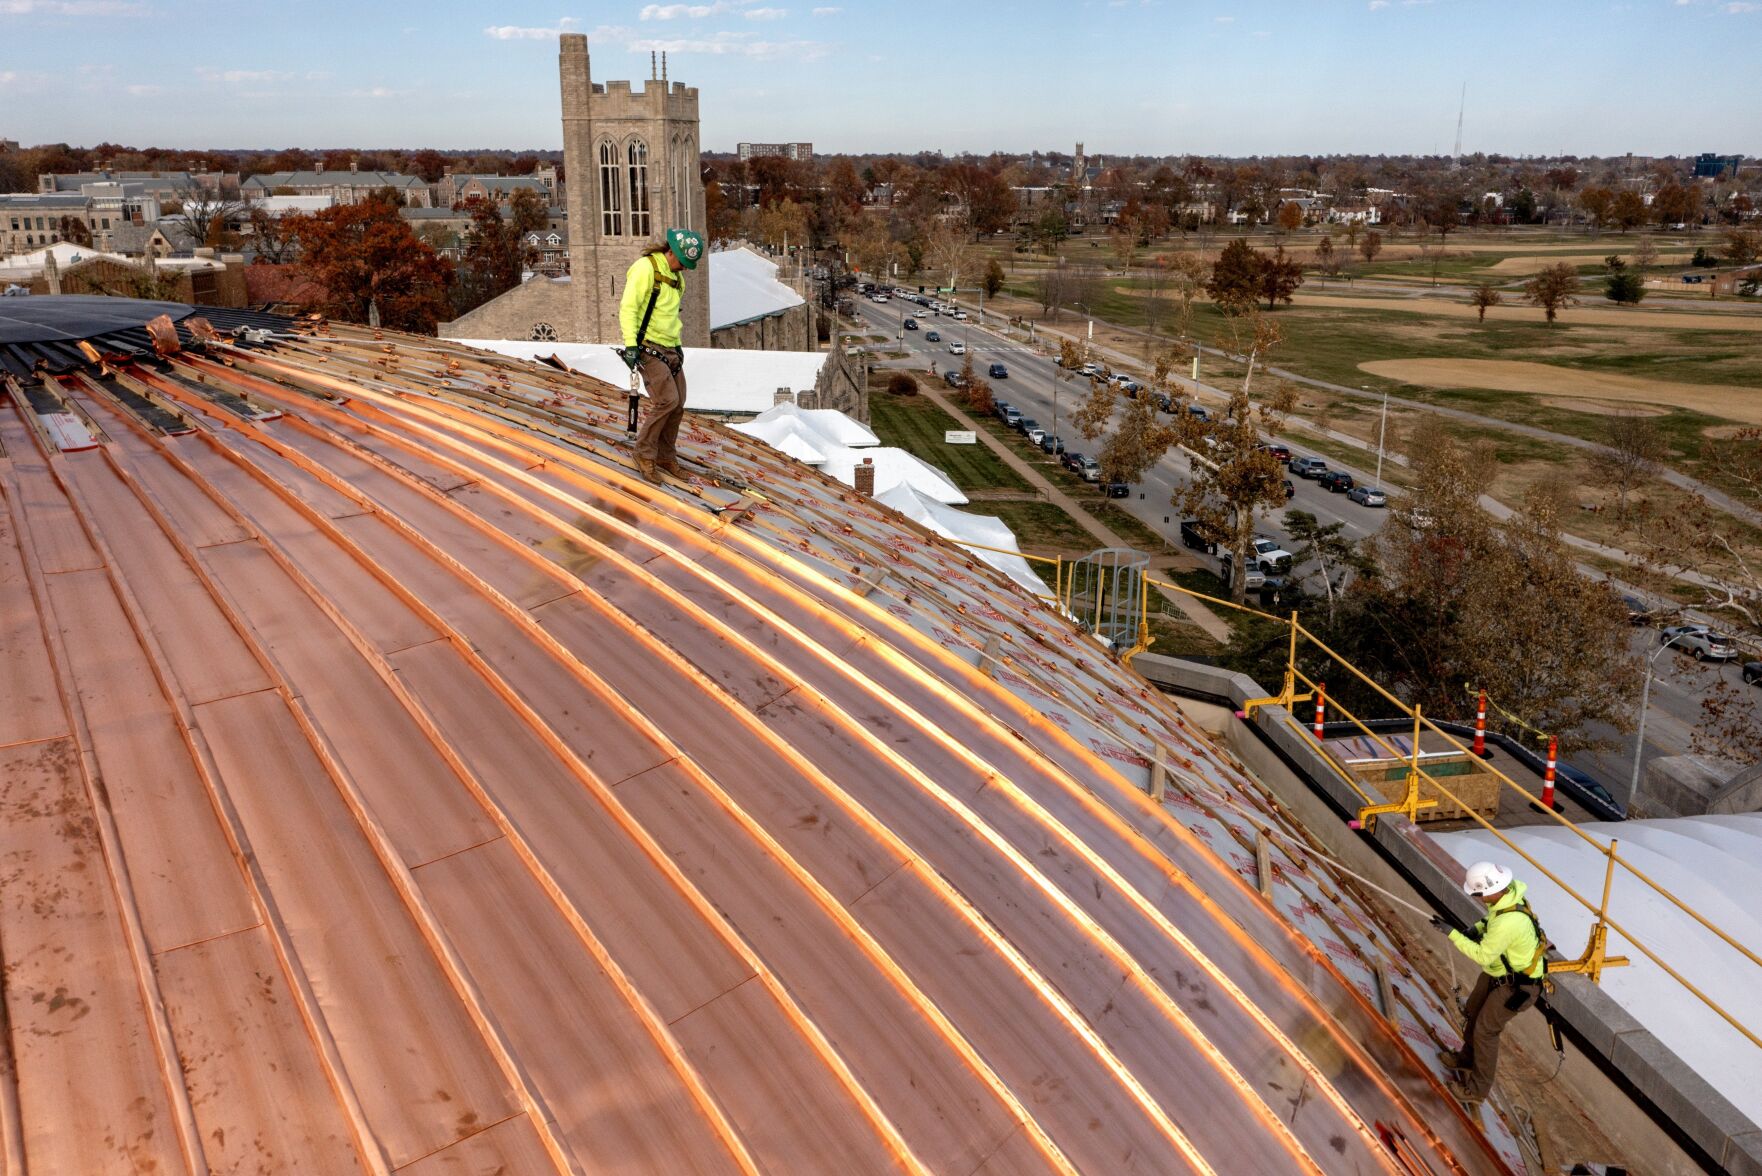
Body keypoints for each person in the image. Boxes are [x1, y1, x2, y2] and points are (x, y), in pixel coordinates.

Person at [1430, 861, 1548, 1107]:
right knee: (1473, 1011)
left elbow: (1483, 955)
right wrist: (1474, 930)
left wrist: (1453, 934)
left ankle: (1477, 1090)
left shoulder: (1509, 922)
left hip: (1518, 986)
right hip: (1501, 973)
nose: (1480, 899)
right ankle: (1466, 1058)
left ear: (1492, 889)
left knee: (1486, 1031)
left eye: (1479, 894)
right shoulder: (1508, 899)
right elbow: (1490, 921)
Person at [619, 227, 704, 483]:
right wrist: (630, 345)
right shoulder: (645, 269)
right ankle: (644, 453)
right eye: (683, 262)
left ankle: (666, 456)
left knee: (678, 404)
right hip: (647, 345)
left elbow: (670, 315)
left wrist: (677, 346)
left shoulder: (677, 278)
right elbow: (628, 308)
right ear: (671, 252)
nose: (685, 268)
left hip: (670, 346)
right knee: (666, 400)